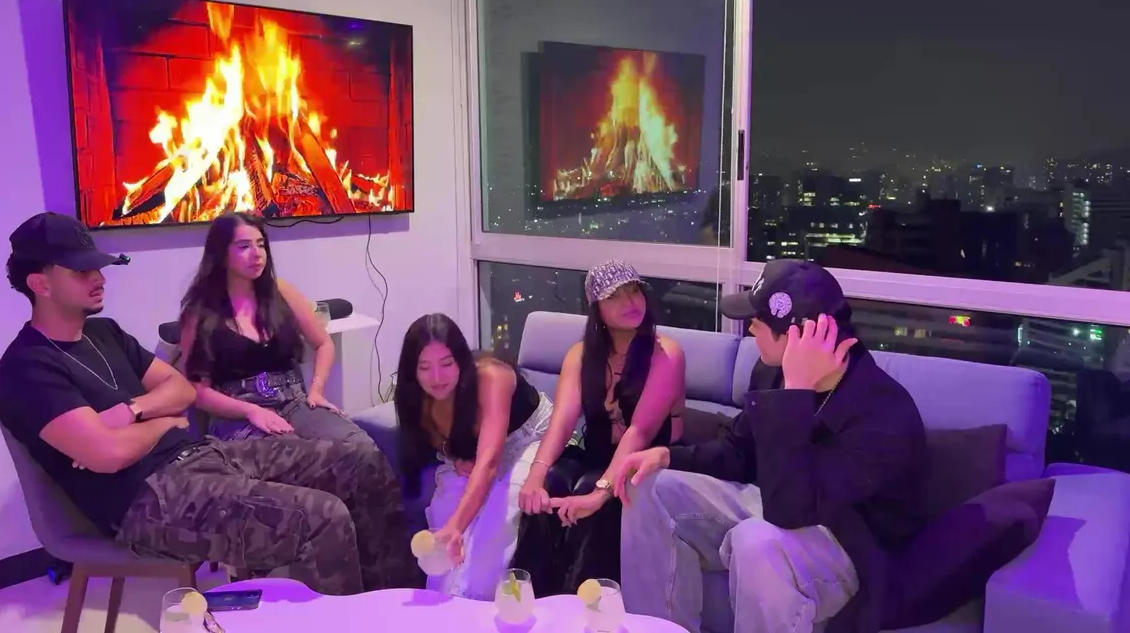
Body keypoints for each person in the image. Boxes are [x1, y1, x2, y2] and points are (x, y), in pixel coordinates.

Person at [0, 212, 418, 594]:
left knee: (362, 464)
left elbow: (180, 389)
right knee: (323, 517)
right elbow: (108, 454)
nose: (99, 278)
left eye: (98, 267)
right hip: (147, 500)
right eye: (82, 270)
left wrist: (132, 412)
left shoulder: (106, 333)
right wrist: (165, 422)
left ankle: (395, 602)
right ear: (40, 283)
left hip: (202, 455)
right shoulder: (28, 367)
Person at [612, 259, 930, 633]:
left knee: (757, 541)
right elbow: (737, 452)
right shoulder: (770, 372)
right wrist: (667, 456)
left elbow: (790, 510)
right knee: (649, 487)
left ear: (800, 336)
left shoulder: (883, 415)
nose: (749, 328)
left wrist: (795, 394)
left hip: (850, 547)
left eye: (758, 322)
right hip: (781, 507)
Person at [511, 260, 686, 597]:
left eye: (634, 291)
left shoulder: (666, 354)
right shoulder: (580, 355)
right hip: (597, 453)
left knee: (598, 495)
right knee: (551, 483)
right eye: (614, 296)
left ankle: (586, 604)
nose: (629, 302)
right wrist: (534, 476)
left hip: (648, 460)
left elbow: (639, 432)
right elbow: (563, 421)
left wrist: (600, 493)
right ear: (596, 308)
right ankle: (529, 596)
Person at [393, 313, 552, 600]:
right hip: (475, 449)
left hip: (528, 436)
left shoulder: (492, 377)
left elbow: (488, 463)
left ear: (461, 360)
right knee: (446, 503)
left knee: (499, 510)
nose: (437, 378)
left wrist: (457, 526)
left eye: (446, 364)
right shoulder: (415, 397)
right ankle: (442, 601)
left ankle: (477, 602)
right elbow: (434, 440)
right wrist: (453, 455)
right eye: (425, 367)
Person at [177, 212, 371, 446]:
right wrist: (250, 411)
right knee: (297, 456)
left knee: (358, 445)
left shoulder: (281, 292)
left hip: (295, 402)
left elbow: (323, 343)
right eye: (244, 246)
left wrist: (316, 390)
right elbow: (196, 390)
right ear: (221, 254)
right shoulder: (199, 312)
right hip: (238, 413)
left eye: (261, 245)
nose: (257, 254)